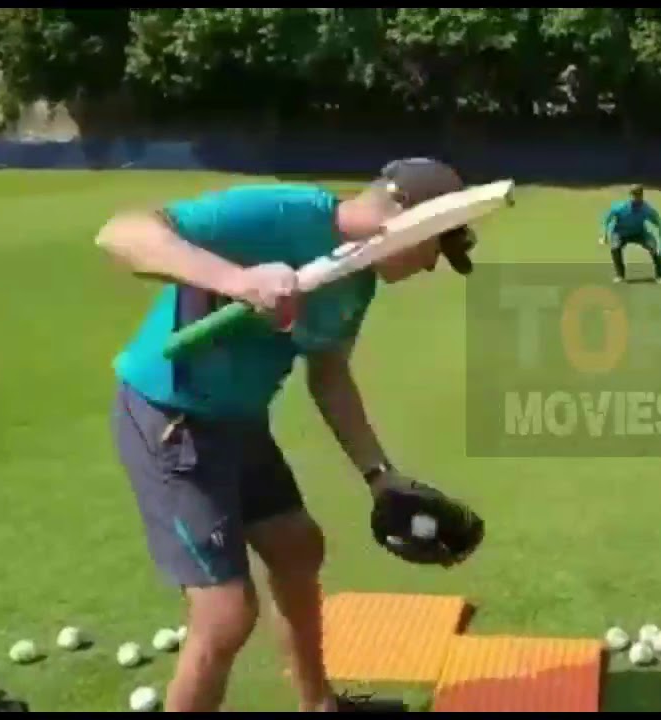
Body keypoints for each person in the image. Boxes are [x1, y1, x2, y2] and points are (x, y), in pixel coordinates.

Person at [96, 158, 484, 712]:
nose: (430, 266)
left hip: (240, 421)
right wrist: (238, 280)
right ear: (408, 222)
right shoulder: (283, 211)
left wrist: (380, 476)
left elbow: (329, 375)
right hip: (172, 418)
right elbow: (121, 234)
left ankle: (318, 705)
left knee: (299, 548)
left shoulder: (357, 282)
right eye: (435, 247)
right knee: (225, 615)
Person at [601, 184, 661, 284]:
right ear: (630, 195)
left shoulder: (646, 209)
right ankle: (620, 275)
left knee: (655, 248)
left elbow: (660, 224)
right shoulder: (620, 207)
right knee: (615, 247)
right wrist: (604, 235)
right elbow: (607, 219)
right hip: (620, 233)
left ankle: (660, 276)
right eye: (633, 195)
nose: (636, 197)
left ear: (642, 195)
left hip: (639, 233)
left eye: (638, 195)